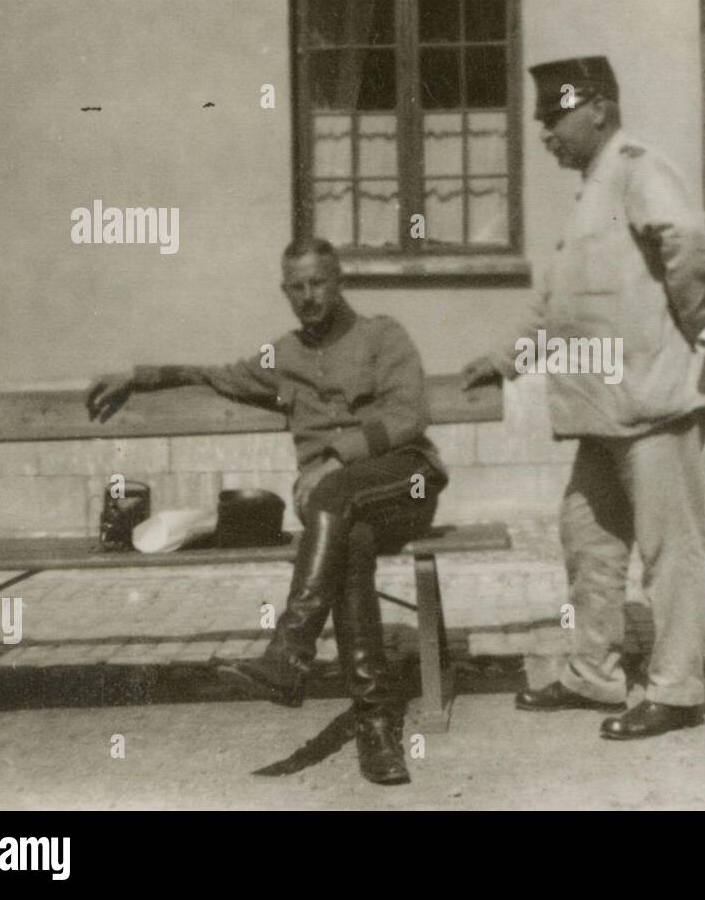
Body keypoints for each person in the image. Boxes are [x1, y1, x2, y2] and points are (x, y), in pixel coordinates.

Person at [86, 239, 447, 785]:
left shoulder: (382, 335)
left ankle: (291, 649)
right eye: (296, 287)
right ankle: (375, 726)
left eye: (318, 282)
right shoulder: (282, 357)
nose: (308, 296)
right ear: (285, 291)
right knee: (350, 543)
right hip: (342, 512)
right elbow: (213, 374)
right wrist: (141, 376)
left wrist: (334, 458)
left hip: (407, 483)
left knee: (332, 495)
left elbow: (409, 417)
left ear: (339, 279)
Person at [462, 56, 705, 740]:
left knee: (670, 550)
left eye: (556, 113)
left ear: (599, 109)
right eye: (541, 117)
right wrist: (501, 360)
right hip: (599, 410)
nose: (545, 129)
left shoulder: (639, 168)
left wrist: (694, 322)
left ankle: (677, 689)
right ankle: (594, 672)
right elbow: (556, 308)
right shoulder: (588, 194)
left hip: (654, 402)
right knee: (588, 540)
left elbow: (690, 240)